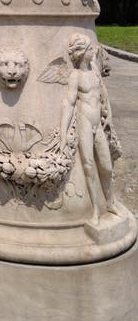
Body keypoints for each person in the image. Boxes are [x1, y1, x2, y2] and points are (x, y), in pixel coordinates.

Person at [60, 34, 121, 226]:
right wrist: (63, 133)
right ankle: (95, 209)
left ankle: (110, 202)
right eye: (89, 49)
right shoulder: (75, 76)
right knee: (88, 166)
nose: (93, 51)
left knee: (106, 166)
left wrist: (108, 115)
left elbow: (103, 94)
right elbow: (68, 104)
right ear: (81, 53)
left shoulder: (94, 70)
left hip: (98, 123)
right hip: (85, 122)